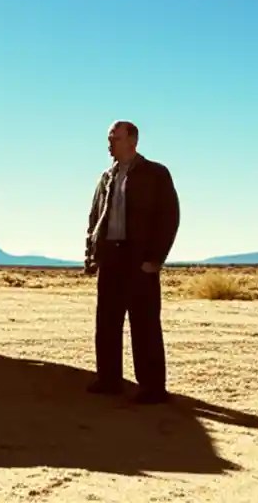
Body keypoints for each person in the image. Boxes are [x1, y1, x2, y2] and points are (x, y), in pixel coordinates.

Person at [83, 120, 180, 403]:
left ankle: (152, 388)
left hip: (139, 257)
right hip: (110, 256)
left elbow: (169, 216)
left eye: (115, 138)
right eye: (109, 138)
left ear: (132, 141)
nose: (109, 144)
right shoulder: (106, 176)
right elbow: (94, 217)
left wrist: (155, 258)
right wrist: (91, 253)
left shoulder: (155, 174)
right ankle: (109, 379)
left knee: (144, 323)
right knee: (107, 321)